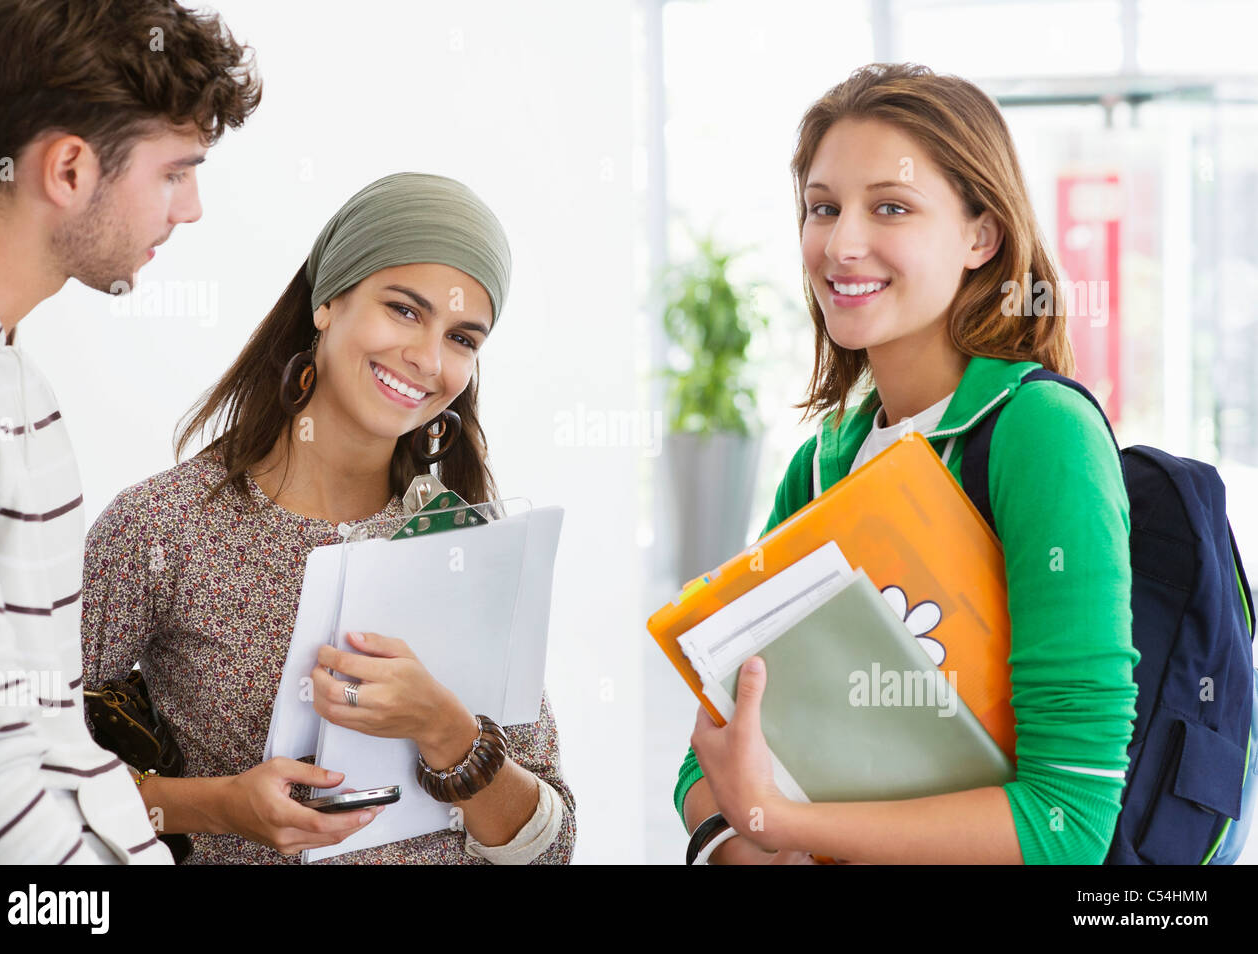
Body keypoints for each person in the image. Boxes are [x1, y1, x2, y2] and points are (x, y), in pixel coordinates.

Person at [677, 63, 1139, 865]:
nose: (841, 243)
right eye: (823, 208)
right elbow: (713, 746)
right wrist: (735, 840)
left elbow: (1070, 820)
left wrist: (782, 827)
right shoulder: (824, 464)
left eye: (890, 207)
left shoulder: (1042, 434)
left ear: (980, 235)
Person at [79, 172, 576, 864]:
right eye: (404, 310)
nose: (429, 360)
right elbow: (19, 776)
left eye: (463, 339)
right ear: (328, 302)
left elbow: (551, 847)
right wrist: (218, 804)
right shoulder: (159, 529)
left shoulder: (465, 546)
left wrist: (447, 730)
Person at [0, 0, 259, 864]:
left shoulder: (15, 384)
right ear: (68, 170)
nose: (192, 207)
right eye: (174, 172)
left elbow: (46, 741)